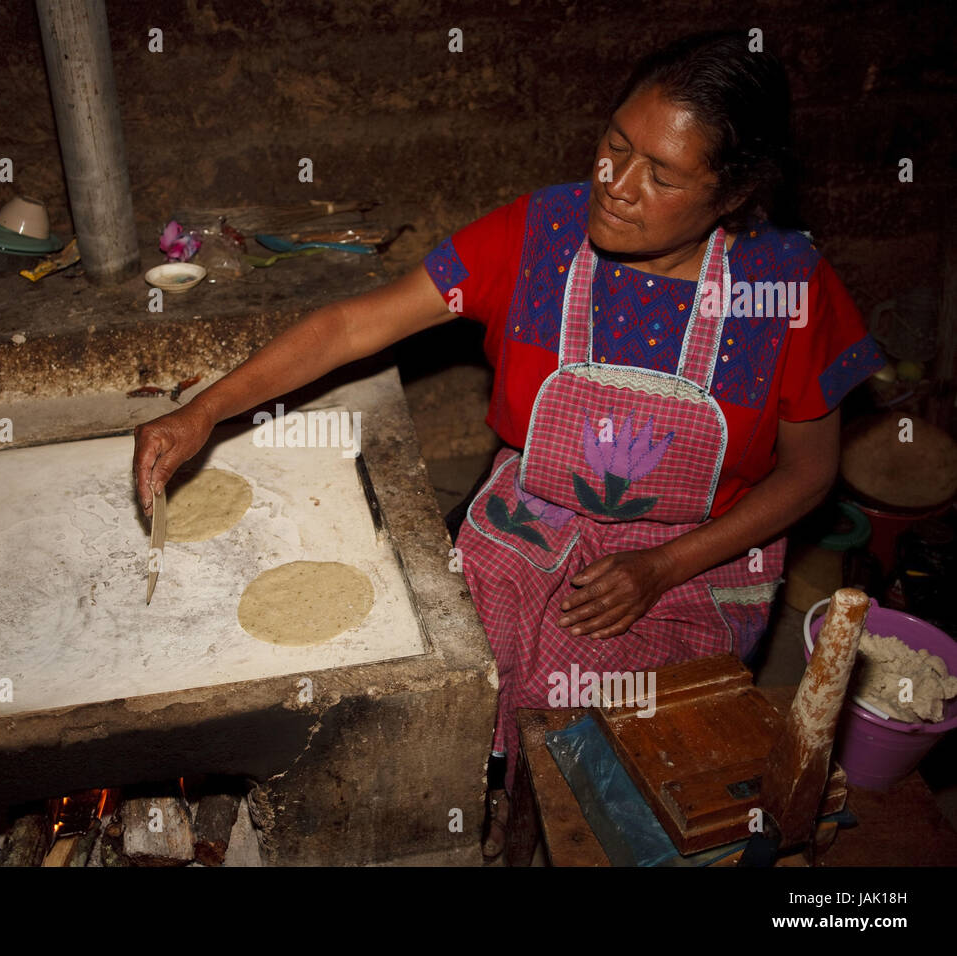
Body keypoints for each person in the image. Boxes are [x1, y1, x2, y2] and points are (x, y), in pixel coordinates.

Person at [132, 30, 884, 860]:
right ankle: (488, 817)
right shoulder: (540, 236)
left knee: (619, 755)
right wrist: (204, 412)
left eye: (660, 175)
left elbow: (811, 474)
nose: (615, 185)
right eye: (613, 146)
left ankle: (548, 828)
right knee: (444, 677)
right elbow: (353, 324)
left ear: (735, 196)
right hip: (535, 519)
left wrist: (661, 568)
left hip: (697, 557)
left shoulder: (786, 289)